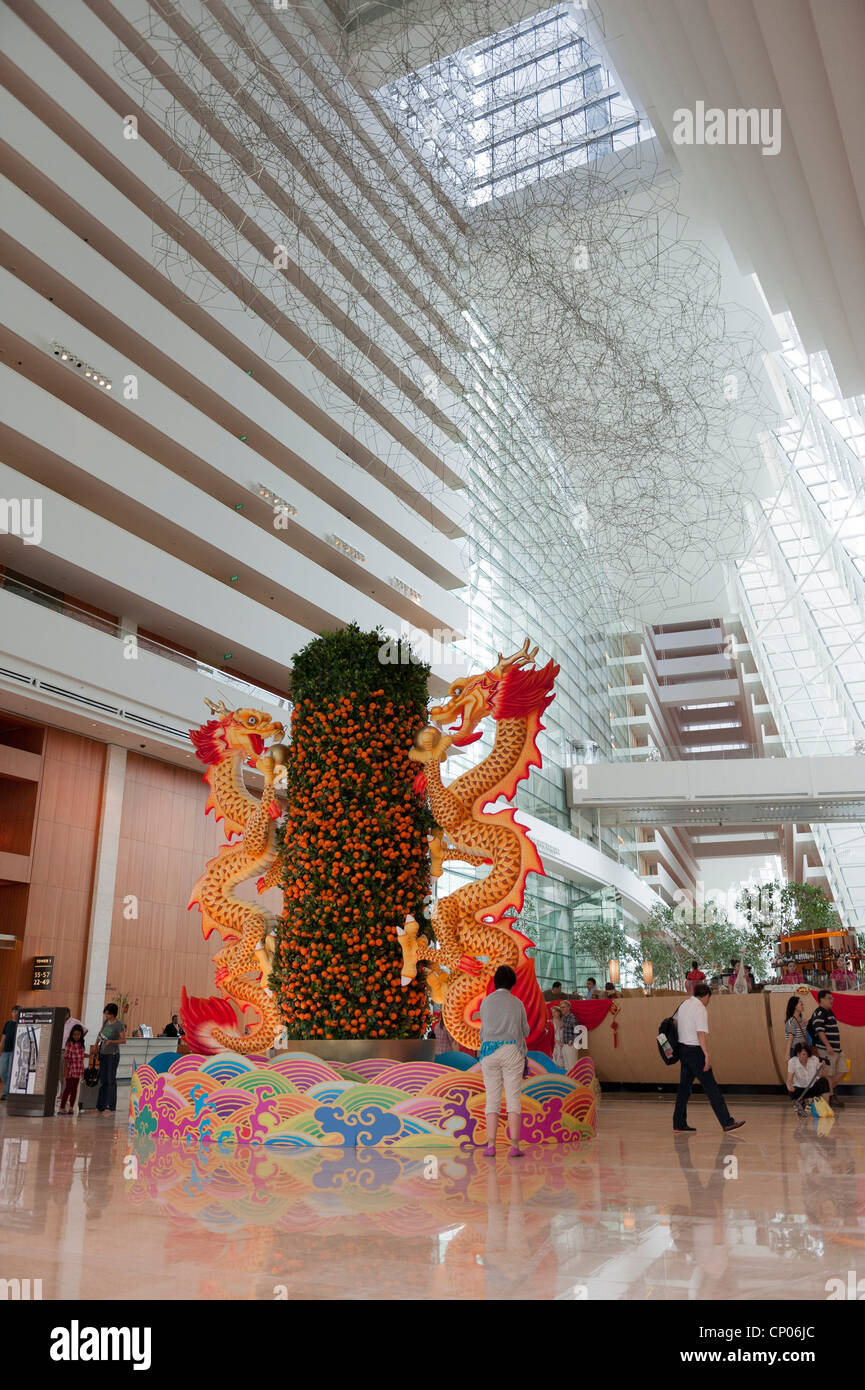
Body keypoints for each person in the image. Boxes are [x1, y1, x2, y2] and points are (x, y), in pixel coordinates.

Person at [672, 984, 745, 1135]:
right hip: (695, 1051)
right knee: (711, 1088)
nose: (708, 1001)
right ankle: (727, 1122)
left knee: (684, 1089)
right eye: (709, 998)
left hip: (683, 1049)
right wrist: (706, 1054)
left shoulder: (684, 1004)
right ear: (705, 996)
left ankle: (678, 1123)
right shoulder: (700, 1009)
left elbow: (675, 1022)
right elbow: (700, 1034)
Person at [479, 964, 529, 1159]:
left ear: (495, 982)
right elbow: (525, 1031)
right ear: (513, 983)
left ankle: (491, 1145)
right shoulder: (517, 1003)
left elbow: (483, 1030)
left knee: (492, 1097)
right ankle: (514, 1146)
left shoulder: (485, 1002)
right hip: (511, 1051)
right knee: (513, 1098)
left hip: (488, 1052)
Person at [810, 990, 846, 1109]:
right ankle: (831, 1097)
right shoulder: (820, 1013)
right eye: (829, 998)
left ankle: (824, 1092)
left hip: (837, 1049)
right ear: (821, 1000)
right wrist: (828, 1046)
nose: (832, 1000)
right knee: (829, 1075)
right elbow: (820, 1031)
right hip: (826, 1050)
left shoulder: (829, 1012)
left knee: (842, 1071)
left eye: (832, 998)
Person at [96, 1003, 126, 1113]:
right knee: (103, 1079)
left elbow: (123, 1040)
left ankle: (111, 1104)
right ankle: (101, 1104)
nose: (106, 1015)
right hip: (103, 1053)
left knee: (111, 1079)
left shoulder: (119, 1025)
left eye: (108, 1013)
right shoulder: (106, 1022)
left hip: (112, 1055)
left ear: (113, 1014)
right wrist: (96, 1045)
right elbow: (101, 1034)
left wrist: (111, 1041)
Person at [786, 1042, 831, 1117]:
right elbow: (789, 1079)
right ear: (797, 1054)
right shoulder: (792, 1062)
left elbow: (822, 1075)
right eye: (801, 1054)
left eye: (805, 1054)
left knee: (824, 1081)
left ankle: (826, 1107)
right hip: (800, 1088)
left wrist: (824, 1068)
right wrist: (789, 1087)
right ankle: (802, 1103)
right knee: (792, 1091)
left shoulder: (814, 1059)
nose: (803, 1056)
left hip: (812, 1087)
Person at [59, 1025, 86, 1114]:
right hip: (70, 1069)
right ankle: (62, 1107)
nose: (76, 1036)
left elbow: (81, 1054)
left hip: (78, 1069)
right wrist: (65, 1071)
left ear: (81, 1035)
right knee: (68, 1088)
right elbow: (66, 1058)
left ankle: (71, 1107)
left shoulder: (81, 1044)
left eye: (78, 1035)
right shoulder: (69, 1044)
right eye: (74, 1035)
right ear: (71, 1035)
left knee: (75, 1089)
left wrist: (90, 1055)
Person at [0, 1006, 19, 1100]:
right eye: (14, 1011)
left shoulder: (21, 1024)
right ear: (11, 1013)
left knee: (10, 1073)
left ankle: (5, 1093)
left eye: (17, 1011)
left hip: (15, 1052)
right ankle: (9, 1089)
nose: (15, 1013)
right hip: (5, 1051)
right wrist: (1, 1048)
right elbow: (3, 1037)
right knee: (2, 1071)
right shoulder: (8, 1023)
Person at [784, 995, 809, 1059]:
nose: (802, 1005)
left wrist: (807, 1025)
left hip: (804, 1050)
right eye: (800, 1003)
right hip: (796, 1052)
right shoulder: (792, 1021)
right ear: (795, 1006)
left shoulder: (802, 1020)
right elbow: (790, 1039)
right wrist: (787, 1054)